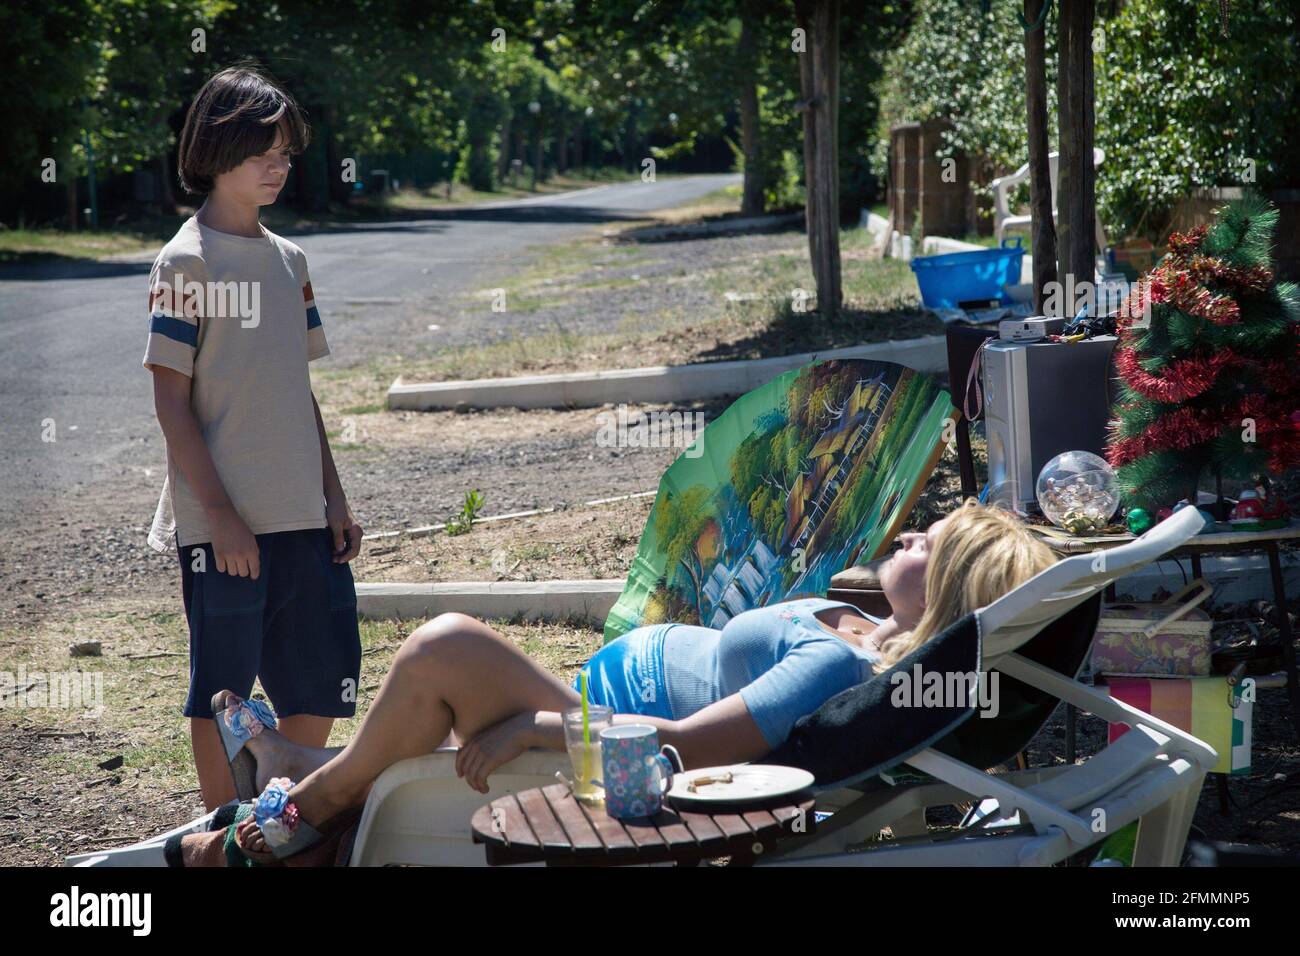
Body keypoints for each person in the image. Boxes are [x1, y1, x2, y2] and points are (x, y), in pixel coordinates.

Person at [182, 499, 1053, 864]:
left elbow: (695, 754)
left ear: (948, 590)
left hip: (604, 739)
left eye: (926, 545)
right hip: (593, 700)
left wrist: (535, 732)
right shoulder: (861, 630)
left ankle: (301, 811)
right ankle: (301, 761)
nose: (909, 539)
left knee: (444, 647)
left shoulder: (839, 665)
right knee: (440, 678)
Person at [143, 64, 364, 812]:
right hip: (224, 526)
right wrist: (223, 516)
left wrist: (333, 495)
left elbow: (297, 391)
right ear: (215, 147)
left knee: (321, 680)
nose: (280, 165)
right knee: (222, 691)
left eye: (287, 153)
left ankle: (286, 818)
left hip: (303, 516)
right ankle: (222, 830)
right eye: (262, 151)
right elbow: (170, 402)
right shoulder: (185, 261)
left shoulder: (289, 262)